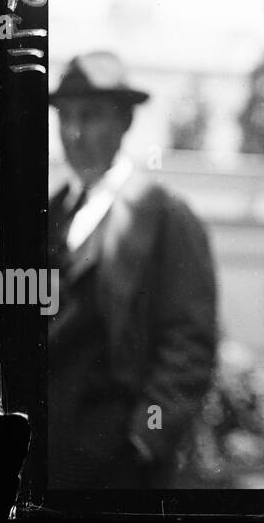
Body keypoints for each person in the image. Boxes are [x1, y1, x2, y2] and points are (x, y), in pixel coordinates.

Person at [46, 51, 218, 489]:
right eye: (64, 117)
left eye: (91, 116)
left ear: (124, 122)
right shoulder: (50, 215)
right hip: (46, 452)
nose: (74, 133)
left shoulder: (161, 216)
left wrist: (145, 438)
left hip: (115, 462)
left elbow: (190, 342)